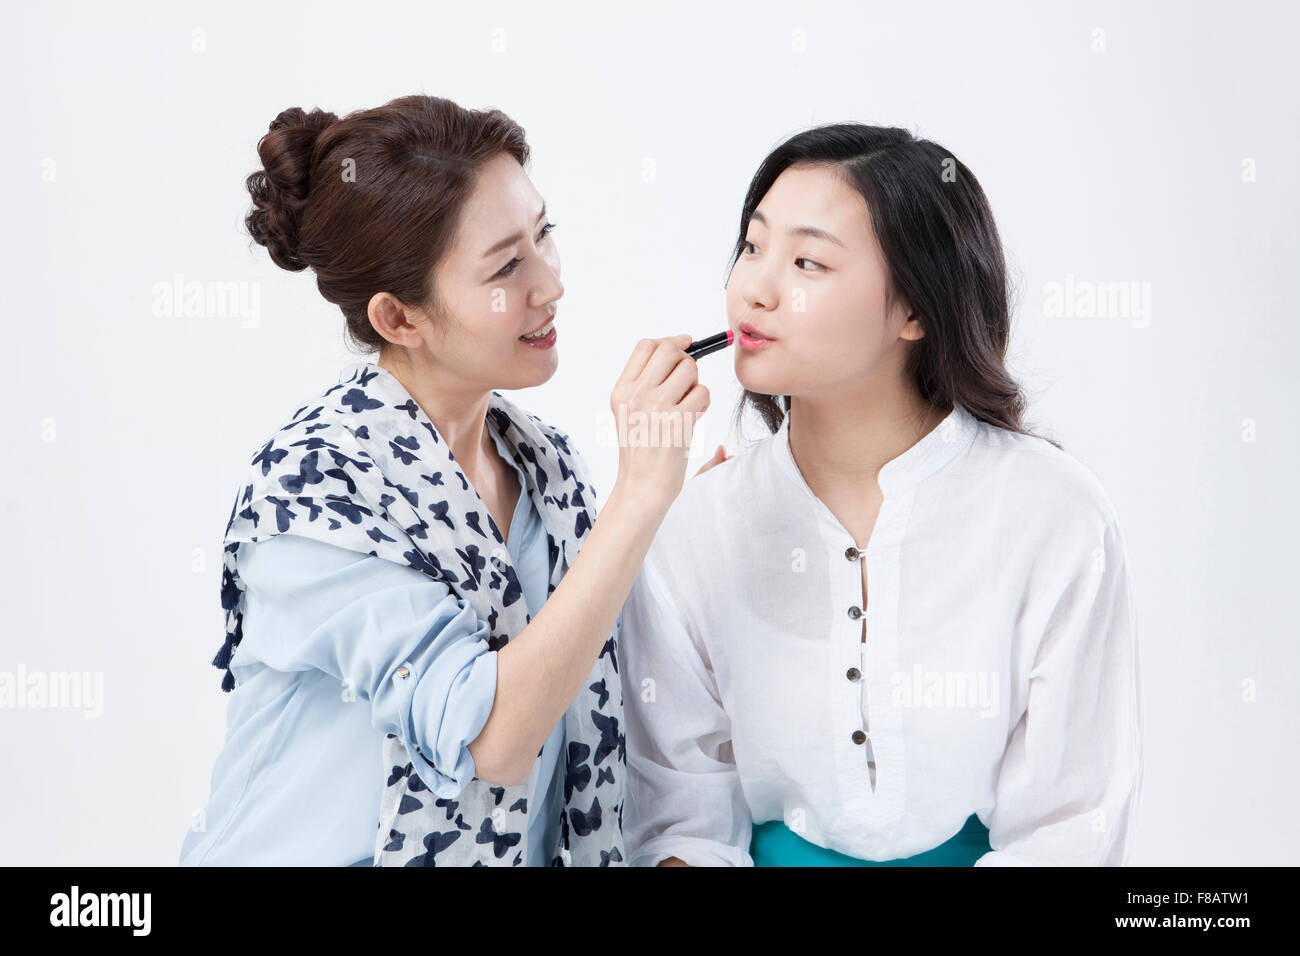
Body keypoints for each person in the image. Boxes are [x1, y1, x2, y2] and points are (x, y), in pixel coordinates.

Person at [180, 94, 710, 866]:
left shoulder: (547, 466)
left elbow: (587, 655)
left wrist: (694, 523)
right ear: (400, 320)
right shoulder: (309, 490)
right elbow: (489, 735)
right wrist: (640, 498)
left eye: (543, 235)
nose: (550, 285)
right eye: (505, 266)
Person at [620, 123, 1144, 866]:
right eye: (752, 246)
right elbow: (677, 821)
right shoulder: (694, 526)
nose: (756, 288)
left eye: (807, 261)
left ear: (915, 311)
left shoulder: (1053, 515)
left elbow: (1073, 823)